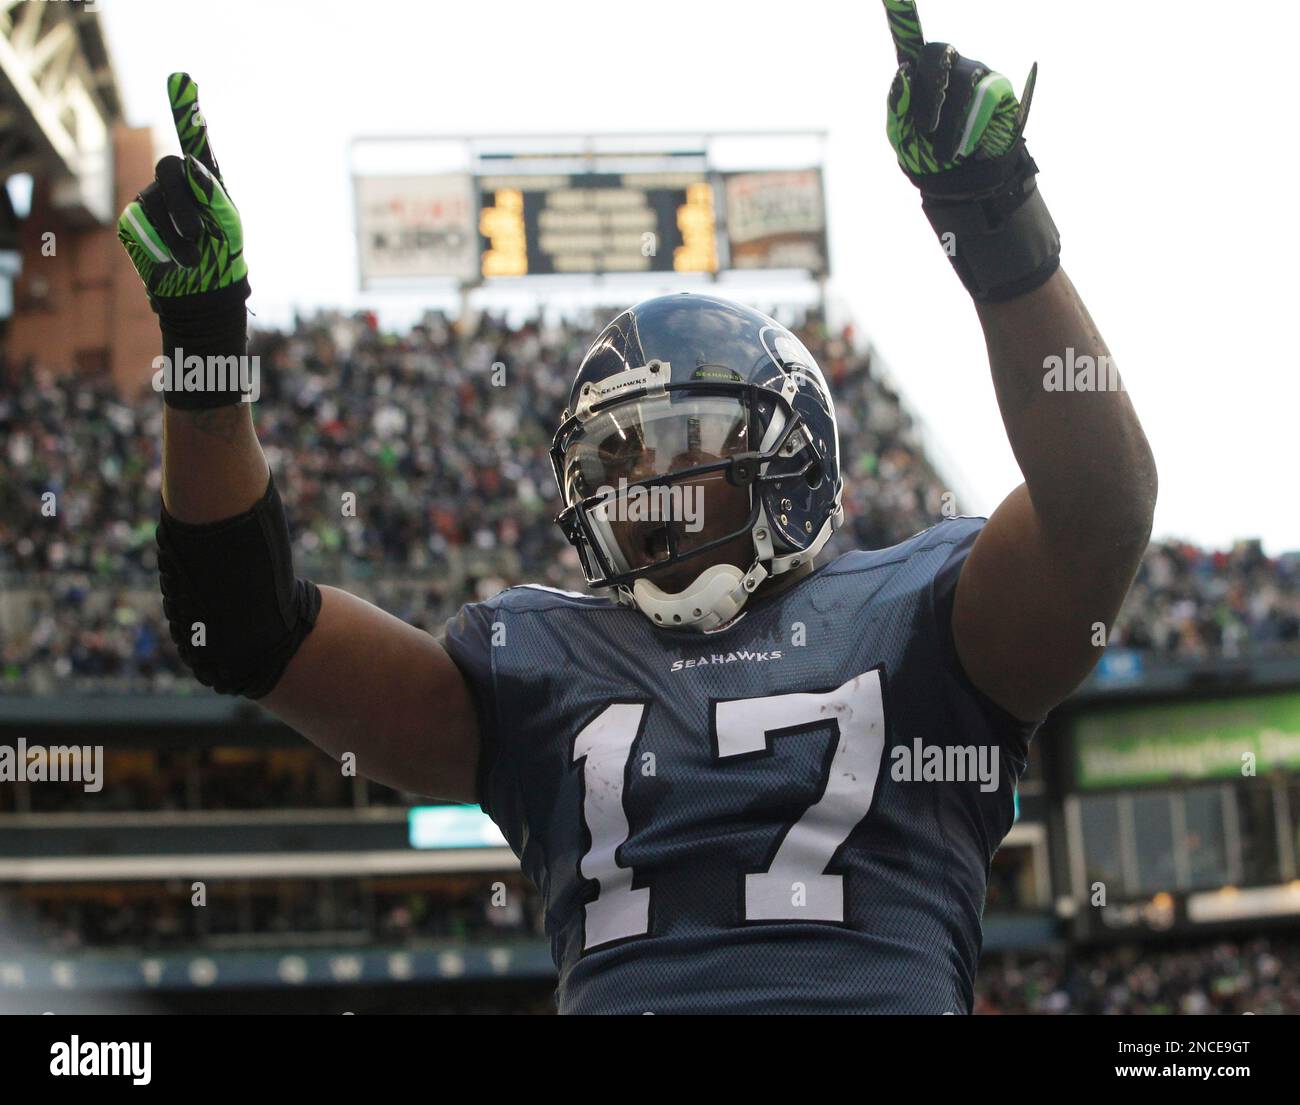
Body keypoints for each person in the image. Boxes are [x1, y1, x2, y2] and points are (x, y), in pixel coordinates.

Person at [117, 2, 1156, 1013]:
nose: (639, 482)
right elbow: (245, 625)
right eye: (613, 453)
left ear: (788, 456)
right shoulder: (531, 659)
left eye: (677, 443)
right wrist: (205, 336)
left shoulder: (925, 615)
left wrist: (990, 213)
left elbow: (1099, 508)